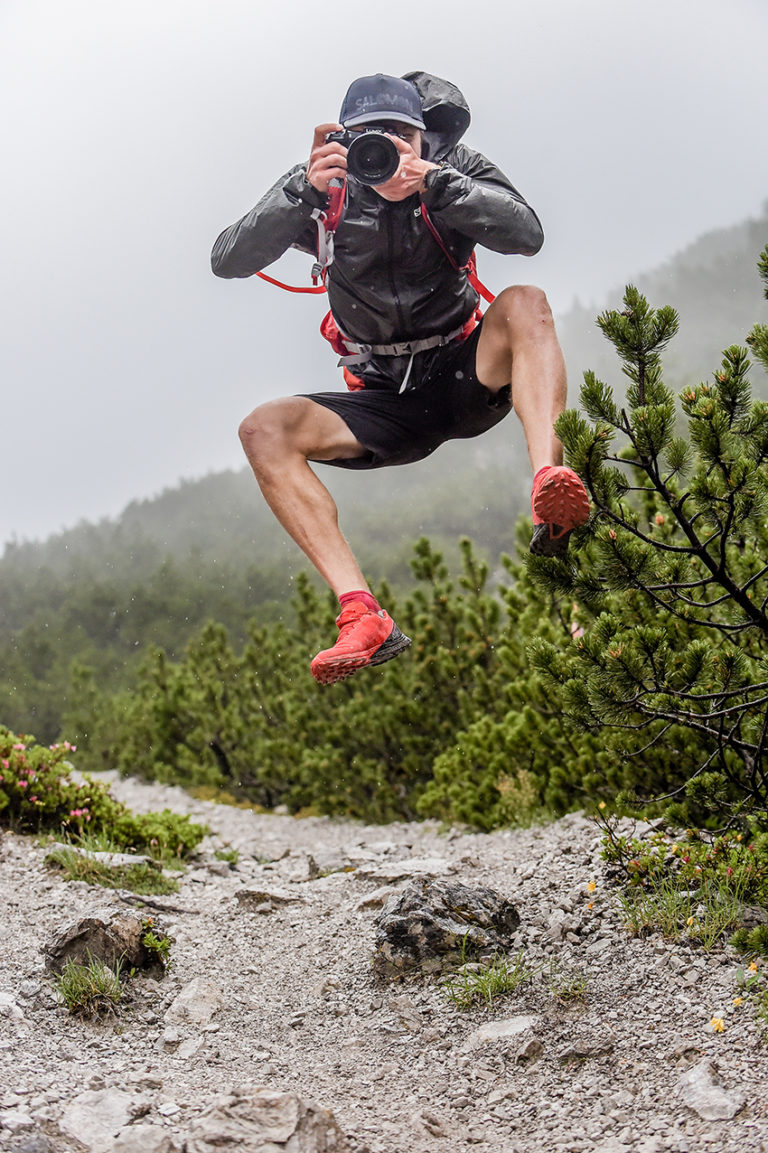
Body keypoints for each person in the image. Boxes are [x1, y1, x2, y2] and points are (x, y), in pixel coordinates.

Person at [211, 72, 589, 685]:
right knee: (262, 429)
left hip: (464, 371)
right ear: (347, 139)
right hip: (383, 398)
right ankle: (361, 614)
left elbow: (528, 235)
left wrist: (436, 183)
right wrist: (300, 191)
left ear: (423, 135)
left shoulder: (451, 168)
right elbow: (227, 260)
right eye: (371, 138)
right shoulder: (327, 188)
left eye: (402, 136)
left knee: (525, 301)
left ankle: (551, 489)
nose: (387, 150)